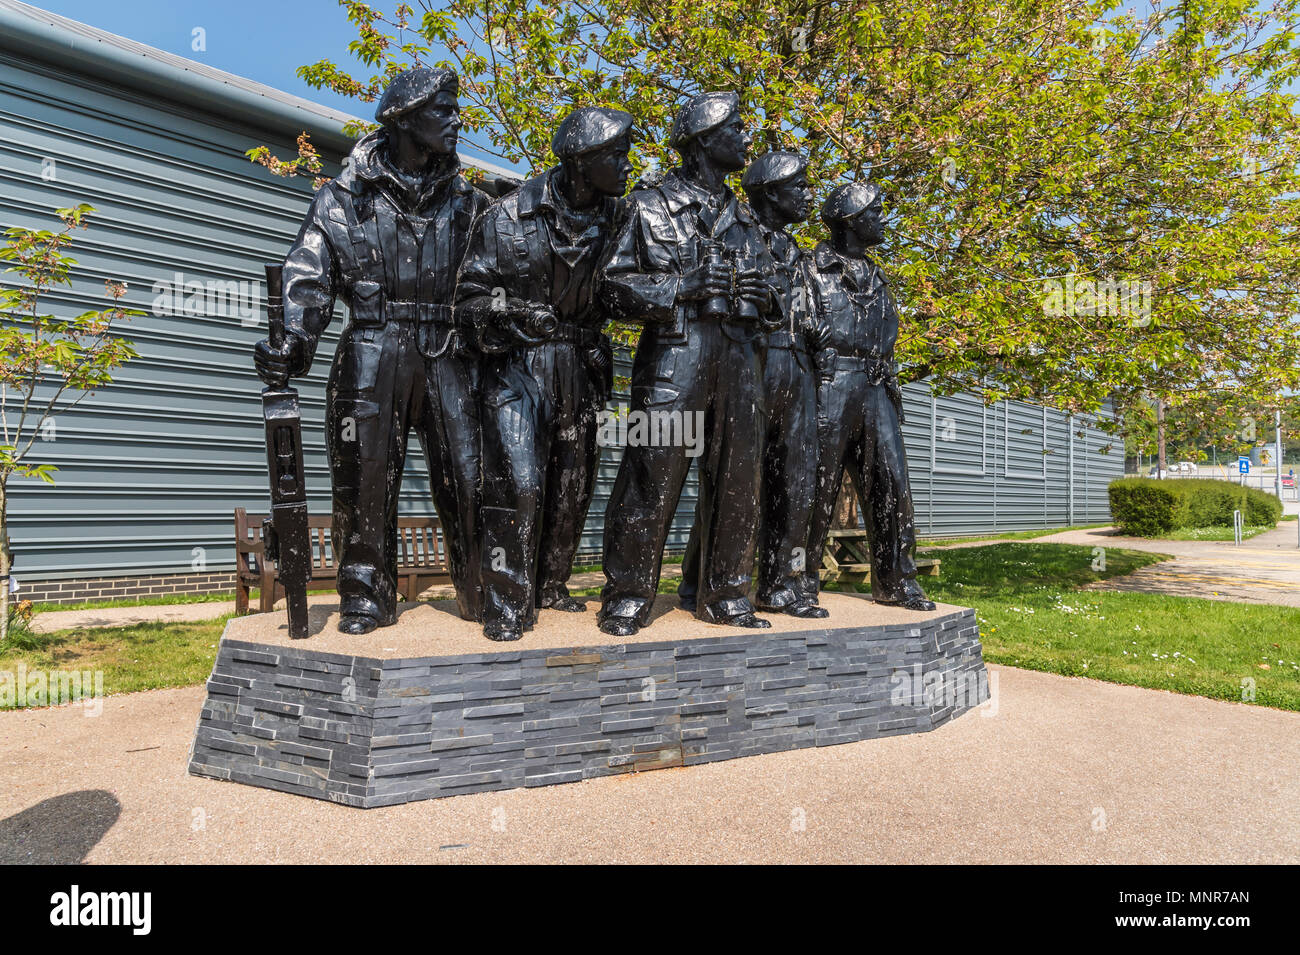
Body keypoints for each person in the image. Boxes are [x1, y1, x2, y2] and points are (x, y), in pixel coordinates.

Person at [253, 67, 491, 634]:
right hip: (369, 350)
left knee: (469, 474)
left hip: (448, 351)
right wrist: (292, 339)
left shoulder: (471, 204)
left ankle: (484, 589)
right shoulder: (341, 199)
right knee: (363, 477)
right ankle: (364, 592)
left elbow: (492, 279)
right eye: (443, 111)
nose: (457, 120)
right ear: (405, 121)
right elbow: (307, 278)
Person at [597, 91, 781, 636]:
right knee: (652, 473)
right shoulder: (647, 206)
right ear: (704, 140)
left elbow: (778, 298)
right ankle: (629, 593)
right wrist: (680, 287)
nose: (748, 138)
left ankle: (725, 594)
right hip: (676, 356)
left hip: (740, 359)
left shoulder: (747, 223)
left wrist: (763, 296)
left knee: (737, 479)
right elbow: (609, 287)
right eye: (737, 128)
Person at [456, 106, 635, 641]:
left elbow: (630, 285)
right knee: (518, 480)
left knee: (572, 480)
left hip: (580, 362)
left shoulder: (622, 219)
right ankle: (508, 600)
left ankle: (552, 582)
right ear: (582, 161)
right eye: (617, 155)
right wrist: (508, 313)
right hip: (517, 363)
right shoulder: (506, 215)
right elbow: (467, 298)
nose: (628, 165)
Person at [678, 150, 832, 618]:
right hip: (753, 363)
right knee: (733, 483)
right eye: (799, 186)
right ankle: (701, 583)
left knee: (795, 481)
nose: (808, 195)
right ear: (769, 191)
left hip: (797, 369)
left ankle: (781, 583)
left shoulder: (797, 252)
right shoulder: (739, 236)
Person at [801, 182, 936, 612]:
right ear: (851, 220)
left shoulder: (877, 275)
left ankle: (897, 579)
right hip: (828, 382)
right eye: (874, 211)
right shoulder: (810, 269)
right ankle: (799, 582)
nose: (882, 218)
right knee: (813, 486)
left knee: (892, 485)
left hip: (877, 385)